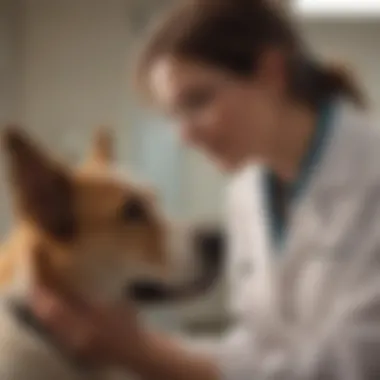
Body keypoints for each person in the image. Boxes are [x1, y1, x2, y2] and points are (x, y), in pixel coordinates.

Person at [30, 0, 380, 379]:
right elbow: (259, 347)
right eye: (173, 115)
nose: (184, 135)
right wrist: (136, 345)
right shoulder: (247, 189)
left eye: (197, 101)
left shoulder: (369, 173)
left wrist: (146, 354)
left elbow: (356, 366)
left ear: (271, 72)